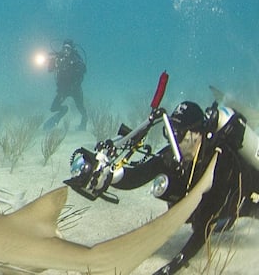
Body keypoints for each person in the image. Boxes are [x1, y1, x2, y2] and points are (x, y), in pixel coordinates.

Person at [94, 101, 258, 275]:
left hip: (244, 196)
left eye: (178, 134)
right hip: (215, 210)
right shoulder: (173, 154)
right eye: (170, 132)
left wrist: (173, 265)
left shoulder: (219, 161)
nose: (172, 140)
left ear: (196, 134)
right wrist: (108, 176)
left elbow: (205, 225)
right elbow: (138, 176)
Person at [43, 39, 87, 130]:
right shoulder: (59, 58)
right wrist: (52, 62)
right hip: (63, 89)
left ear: (72, 50)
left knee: (80, 107)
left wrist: (74, 65)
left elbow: (84, 69)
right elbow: (49, 70)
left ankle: (83, 124)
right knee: (54, 108)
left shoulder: (76, 58)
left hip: (75, 89)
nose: (66, 51)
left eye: (68, 49)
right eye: (64, 48)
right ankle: (64, 110)